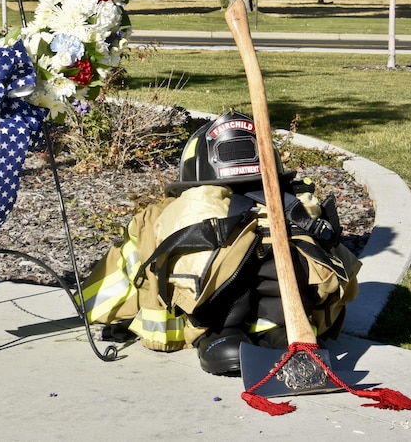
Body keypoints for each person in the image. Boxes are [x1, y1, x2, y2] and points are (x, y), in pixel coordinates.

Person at [78, 110, 359, 375]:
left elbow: (102, 300)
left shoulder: (158, 219)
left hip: (213, 334)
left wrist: (112, 319)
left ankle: (220, 333)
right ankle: (283, 334)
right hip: (294, 323)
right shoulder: (298, 211)